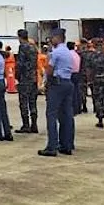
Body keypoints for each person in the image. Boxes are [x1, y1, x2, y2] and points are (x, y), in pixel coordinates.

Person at [38, 27, 76, 157]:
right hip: (67, 83)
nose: (50, 40)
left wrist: (45, 84)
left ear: (57, 38)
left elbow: (49, 70)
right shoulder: (68, 52)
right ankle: (66, 145)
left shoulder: (55, 53)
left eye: (52, 38)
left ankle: (51, 146)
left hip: (57, 84)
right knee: (66, 115)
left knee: (51, 115)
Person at [15, 28, 40, 134]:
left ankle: (26, 125)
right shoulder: (34, 48)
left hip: (25, 78)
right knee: (32, 102)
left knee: (23, 102)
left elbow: (20, 64)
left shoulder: (22, 47)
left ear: (19, 37)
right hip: (33, 77)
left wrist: (17, 75)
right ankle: (34, 124)